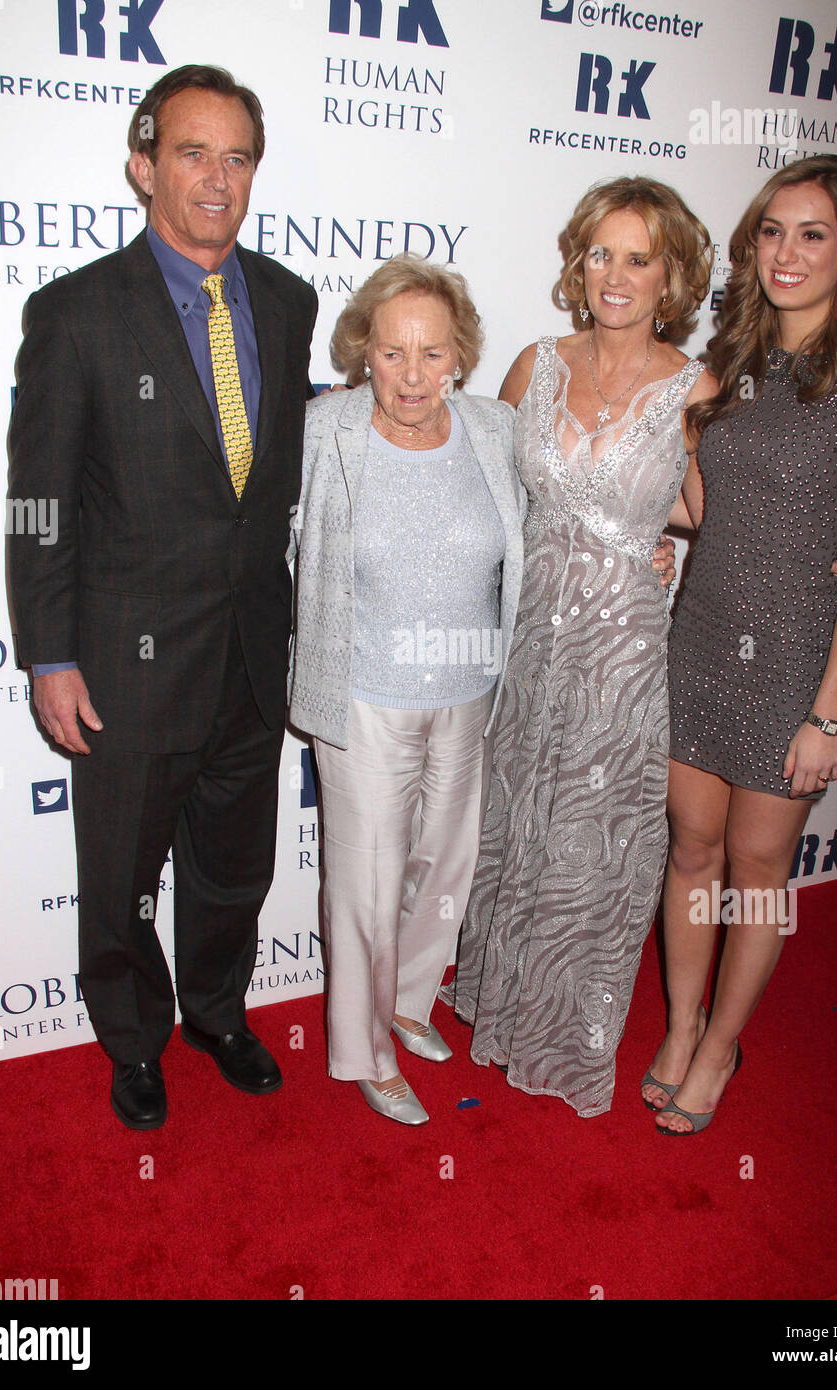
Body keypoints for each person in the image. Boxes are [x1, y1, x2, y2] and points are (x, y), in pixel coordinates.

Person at [7, 65, 318, 1130]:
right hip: (124, 661)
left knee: (236, 862)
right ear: (144, 166)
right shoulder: (77, 313)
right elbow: (39, 502)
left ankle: (220, 1015)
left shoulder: (285, 300)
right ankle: (133, 1041)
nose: (217, 177)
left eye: (237, 156)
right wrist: (49, 655)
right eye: (192, 152)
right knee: (122, 876)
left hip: (249, 650)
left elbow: (274, 482)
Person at [645, 154, 837, 1134]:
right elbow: (700, 508)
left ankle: (721, 1044)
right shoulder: (729, 362)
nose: (786, 251)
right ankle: (680, 1026)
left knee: (758, 872)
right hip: (703, 641)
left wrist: (826, 713)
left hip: (794, 661)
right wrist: (640, 519)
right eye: (771, 230)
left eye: (810, 233)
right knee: (690, 852)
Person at [450, 178, 717, 1118]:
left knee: (594, 848)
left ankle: (567, 1033)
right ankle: (497, 999)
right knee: (517, 819)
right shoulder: (535, 366)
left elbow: (713, 517)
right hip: (530, 641)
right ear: (578, 262)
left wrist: (669, 549)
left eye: (639, 258)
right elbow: (483, 494)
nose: (616, 275)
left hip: (623, 654)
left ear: (671, 274)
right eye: (601, 253)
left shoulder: (697, 390)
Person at [286, 257, 525, 1125]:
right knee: (367, 880)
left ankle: (410, 1005)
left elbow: (557, 522)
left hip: (471, 686)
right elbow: (268, 541)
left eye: (432, 353)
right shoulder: (327, 430)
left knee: (448, 866)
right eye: (393, 353)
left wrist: (648, 550)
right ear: (364, 354)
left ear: (460, 354)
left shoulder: (496, 429)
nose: (413, 375)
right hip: (363, 692)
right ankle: (365, 1052)